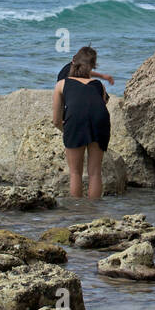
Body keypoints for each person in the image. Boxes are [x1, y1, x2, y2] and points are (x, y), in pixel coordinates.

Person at [52, 45, 112, 199]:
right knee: (94, 172)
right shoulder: (100, 85)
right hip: (100, 121)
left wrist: (66, 130)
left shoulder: (61, 84)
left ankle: (77, 213)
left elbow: (56, 120)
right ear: (92, 67)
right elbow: (97, 106)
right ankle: (94, 213)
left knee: (75, 173)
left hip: (76, 121)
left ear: (73, 62)